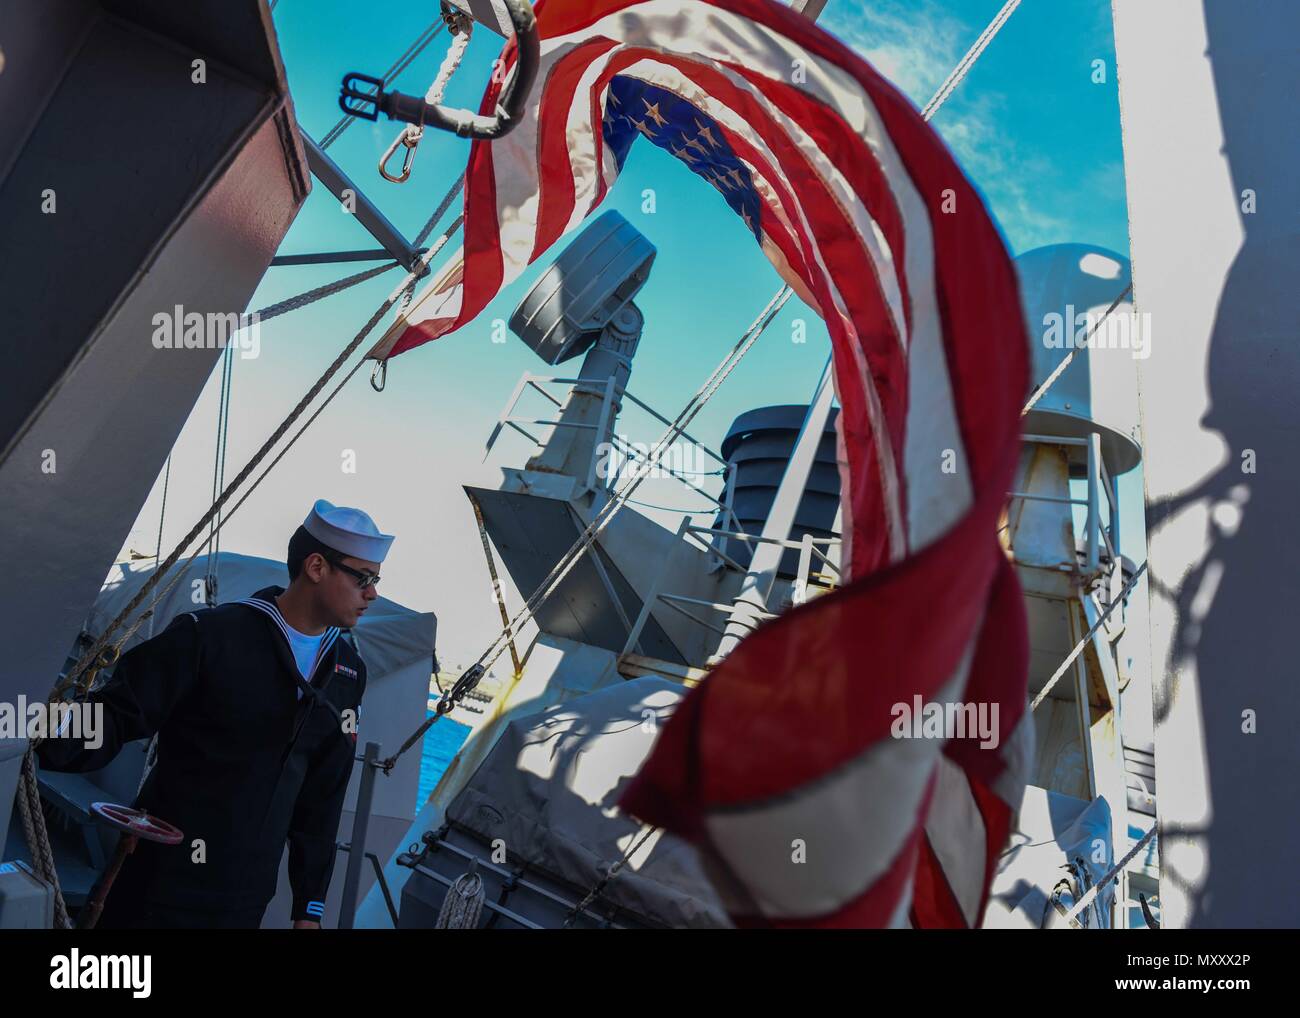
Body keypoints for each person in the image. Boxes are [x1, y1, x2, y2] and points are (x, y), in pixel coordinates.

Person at [37, 500, 393, 929]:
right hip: (157, 886)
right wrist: (38, 731)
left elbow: (322, 796)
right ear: (317, 567)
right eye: (364, 579)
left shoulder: (347, 673)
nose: (372, 593)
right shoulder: (209, 636)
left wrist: (308, 909)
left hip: (243, 902)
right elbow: (118, 715)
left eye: (375, 580)